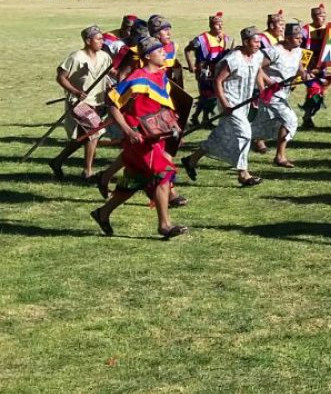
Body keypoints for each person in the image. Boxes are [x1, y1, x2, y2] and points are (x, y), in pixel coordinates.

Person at [89, 36, 188, 240]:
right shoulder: (137, 78)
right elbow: (112, 103)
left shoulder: (161, 76)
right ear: (148, 55)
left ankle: (103, 213)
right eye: (160, 51)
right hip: (139, 139)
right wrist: (128, 131)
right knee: (162, 174)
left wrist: (174, 125)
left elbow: (163, 107)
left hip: (156, 136)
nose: (164, 54)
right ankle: (164, 225)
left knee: (135, 180)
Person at [182, 27, 266, 187]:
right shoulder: (233, 59)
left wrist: (263, 89)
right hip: (230, 101)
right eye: (255, 42)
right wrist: (225, 104)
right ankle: (243, 173)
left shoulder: (258, 56)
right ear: (246, 42)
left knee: (222, 134)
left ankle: (191, 160)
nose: (258, 45)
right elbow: (217, 81)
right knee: (245, 133)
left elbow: (258, 71)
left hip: (244, 101)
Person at [48, 25, 113, 183]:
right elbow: (61, 77)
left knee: (84, 137)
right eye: (98, 39)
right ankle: (87, 171)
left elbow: (110, 73)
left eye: (102, 39)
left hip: (98, 100)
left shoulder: (104, 56)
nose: (102, 41)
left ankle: (57, 161)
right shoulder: (76, 57)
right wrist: (75, 91)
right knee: (94, 131)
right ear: (88, 40)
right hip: (78, 102)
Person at [251, 21, 307, 168]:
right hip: (271, 95)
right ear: (287, 38)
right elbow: (256, 67)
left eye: (301, 37)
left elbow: (299, 67)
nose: (300, 40)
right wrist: (267, 84)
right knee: (290, 120)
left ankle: (237, 138)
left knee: (264, 126)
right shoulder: (274, 51)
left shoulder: (298, 51)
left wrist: (305, 74)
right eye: (297, 38)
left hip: (284, 94)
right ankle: (280, 157)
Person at [184, 12, 231, 126]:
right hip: (204, 72)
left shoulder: (224, 38)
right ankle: (203, 119)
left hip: (218, 71)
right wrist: (191, 65)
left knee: (212, 96)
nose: (220, 27)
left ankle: (199, 118)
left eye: (221, 24)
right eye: (217, 24)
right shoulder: (201, 39)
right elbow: (187, 49)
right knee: (207, 96)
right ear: (211, 25)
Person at [300, 4, 331, 129]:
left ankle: (307, 117)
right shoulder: (305, 30)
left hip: (321, 66)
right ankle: (307, 117)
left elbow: (329, 50)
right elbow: (298, 49)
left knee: (319, 93)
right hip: (306, 67)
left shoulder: (329, 30)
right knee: (314, 89)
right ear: (313, 17)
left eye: (324, 16)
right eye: (320, 16)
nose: (323, 18)